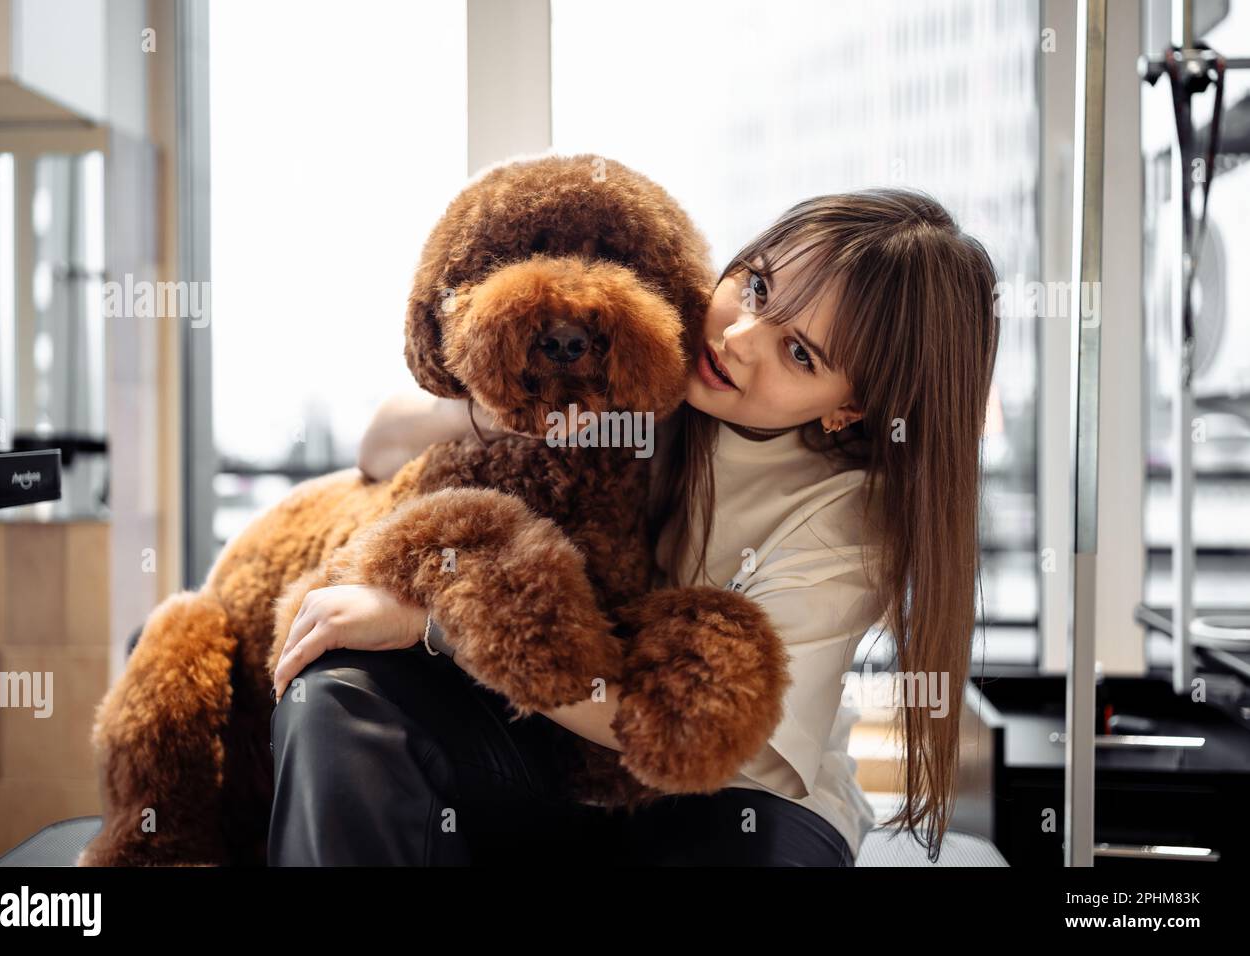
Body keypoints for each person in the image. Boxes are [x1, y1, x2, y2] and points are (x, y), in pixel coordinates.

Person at [267, 188, 1001, 866]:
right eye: (756, 287)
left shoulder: (849, 520)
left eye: (799, 352)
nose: (741, 338)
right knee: (340, 698)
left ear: (850, 409)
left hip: (731, 802)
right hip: (556, 756)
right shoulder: (641, 347)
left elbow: (714, 743)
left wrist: (444, 622)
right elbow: (379, 447)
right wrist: (498, 415)